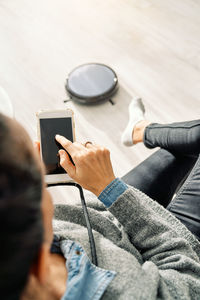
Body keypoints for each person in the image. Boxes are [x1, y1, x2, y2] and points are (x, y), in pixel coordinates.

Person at [0, 99, 200, 300]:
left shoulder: (16, 246)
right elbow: (189, 278)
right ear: (40, 262)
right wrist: (108, 187)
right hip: (174, 246)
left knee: (188, 142)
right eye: (37, 190)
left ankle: (140, 130)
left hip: (104, 216)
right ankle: (141, 129)